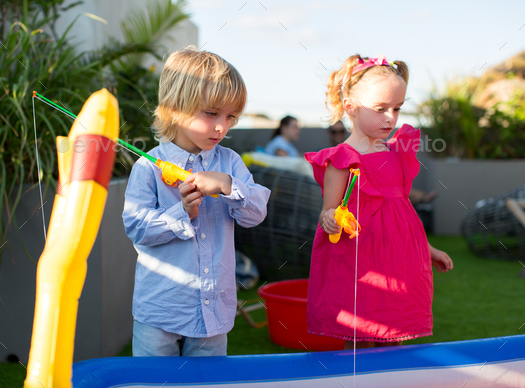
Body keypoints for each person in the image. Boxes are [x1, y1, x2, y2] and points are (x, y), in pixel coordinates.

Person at [122, 47, 271, 357]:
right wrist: (182, 212)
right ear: (175, 108)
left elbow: (255, 213)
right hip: (160, 310)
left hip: (213, 313)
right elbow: (137, 228)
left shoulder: (229, 163)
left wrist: (228, 186)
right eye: (212, 113)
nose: (222, 126)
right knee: (154, 382)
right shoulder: (148, 166)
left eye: (230, 116)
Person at [304, 54, 454, 350]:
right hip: (358, 260)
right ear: (350, 107)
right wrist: (330, 218)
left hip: (398, 260)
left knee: (393, 332)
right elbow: (328, 210)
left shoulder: (396, 152)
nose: (390, 117)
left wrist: (428, 249)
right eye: (380, 108)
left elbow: (401, 212)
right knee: (358, 334)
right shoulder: (342, 158)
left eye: (397, 108)